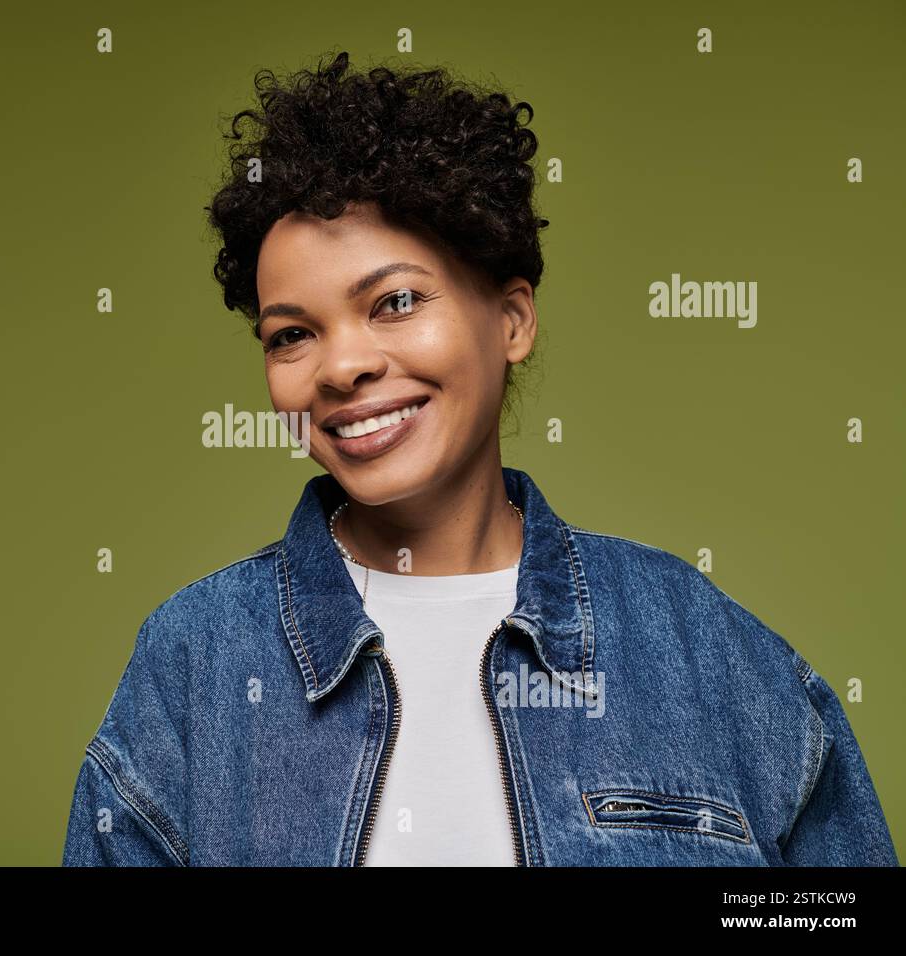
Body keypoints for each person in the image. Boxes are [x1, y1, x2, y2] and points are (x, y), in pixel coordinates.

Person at [61, 50, 897, 866]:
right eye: (291, 334)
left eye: (395, 301)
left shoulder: (701, 645)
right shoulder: (195, 662)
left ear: (512, 320)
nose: (341, 366)